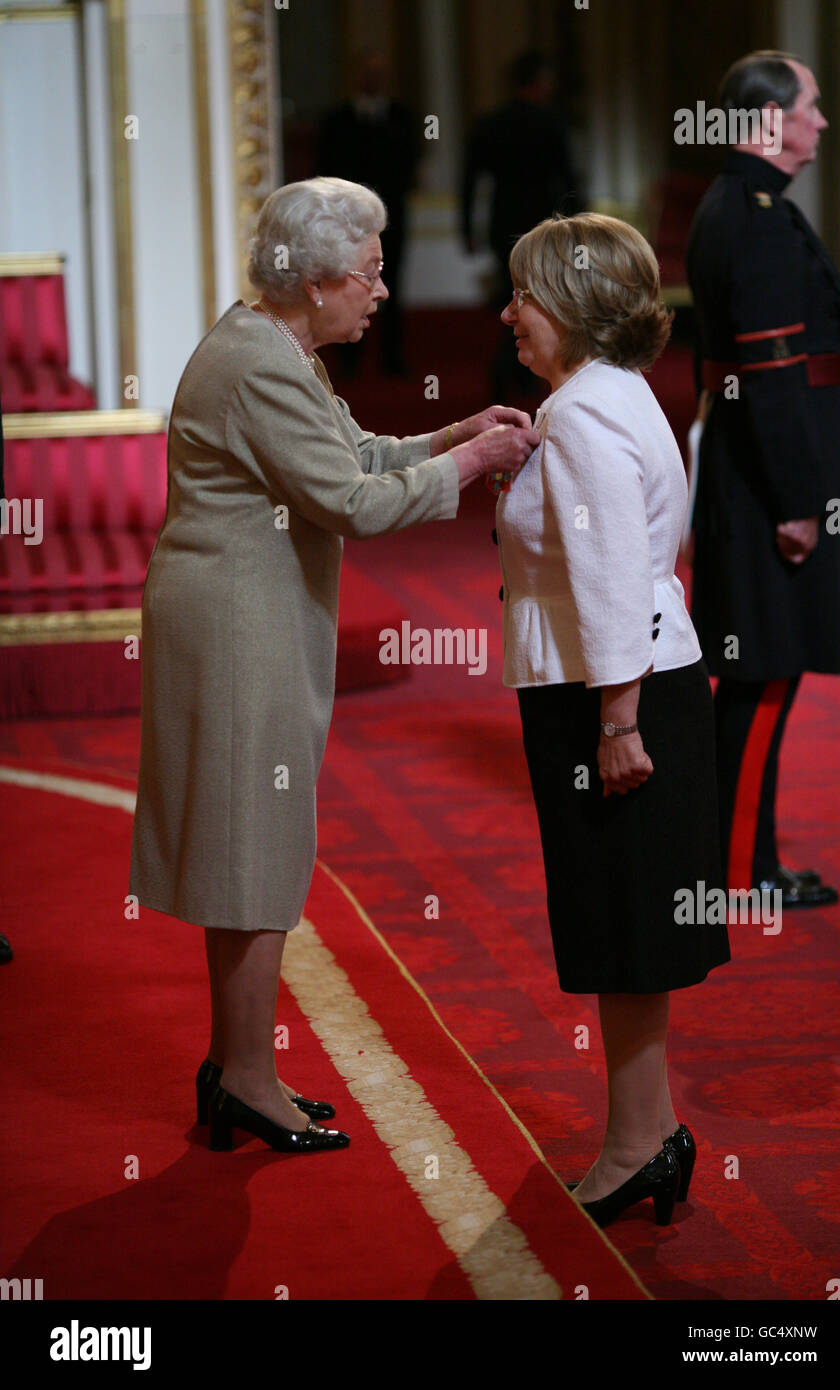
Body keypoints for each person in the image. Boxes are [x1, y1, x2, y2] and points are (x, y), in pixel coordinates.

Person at [128, 177, 538, 1156]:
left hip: (247, 616)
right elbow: (353, 503)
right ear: (313, 281)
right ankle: (245, 1076)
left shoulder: (276, 345)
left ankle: (237, 1069)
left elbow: (355, 453)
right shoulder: (260, 364)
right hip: (237, 627)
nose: (382, 291)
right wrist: (474, 466)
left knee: (249, 844)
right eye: (369, 272)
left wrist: (451, 436)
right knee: (253, 848)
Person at [496, 213, 730, 1228]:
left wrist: (618, 725)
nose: (508, 313)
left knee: (623, 923)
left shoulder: (580, 415)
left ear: (573, 304)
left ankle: (638, 1145)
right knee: (631, 923)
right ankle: (650, 1132)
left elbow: (609, 577)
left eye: (524, 295)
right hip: (633, 682)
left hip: (610, 694)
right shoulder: (612, 391)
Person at [686, 51, 840, 908]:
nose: (822, 121)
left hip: (759, 473)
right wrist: (797, 502)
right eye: (811, 106)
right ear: (769, 119)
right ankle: (736, 873)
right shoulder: (753, 216)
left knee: (764, 674)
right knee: (761, 674)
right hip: (770, 487)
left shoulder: (748, 203)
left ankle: (744, 861)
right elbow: (769, 375)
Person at [461, 49, 584, 400]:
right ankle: (515, 367)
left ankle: (512, 368)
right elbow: (569, 180)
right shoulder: (552, 123)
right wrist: (577, 229)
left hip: (503, 223)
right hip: (543, 224)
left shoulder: (491, 123)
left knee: (512, 293)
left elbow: (470, 181)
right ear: (540, 82)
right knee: (537, 296)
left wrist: (467, 229)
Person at [317, 51, 417, 376]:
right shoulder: (337, 120)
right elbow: (325, 169)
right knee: (347, 280)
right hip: (347, 220)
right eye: (368, 72)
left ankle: (393, 357)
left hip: (393, 218)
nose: (374, 79)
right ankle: (349, 357)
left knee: (392, 284)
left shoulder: (402, 117)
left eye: (380, 72)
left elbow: (410, 165)